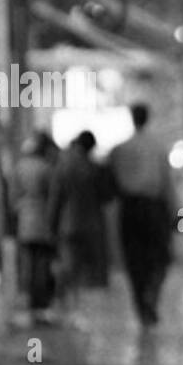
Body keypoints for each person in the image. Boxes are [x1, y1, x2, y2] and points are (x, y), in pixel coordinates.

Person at [108, 104, 177, 326]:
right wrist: (181, 222)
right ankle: (151, 297)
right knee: (160, 259)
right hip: (154, 209)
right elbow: (169, 187)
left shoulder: (119, 149)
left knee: (134, 260)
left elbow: (111, 185)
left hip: (129, 210)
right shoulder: (158, 148)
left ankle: (142, 305)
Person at [49, 130, 113, 313]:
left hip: (68, 224)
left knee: (68, 267)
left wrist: (51, 224)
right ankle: (79, 308)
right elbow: (106, 196)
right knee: (85, 272)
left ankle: (65, 306)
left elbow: (56, 199)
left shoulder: (64, 167)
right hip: (91, 225)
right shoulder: (93, 168)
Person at [10, 130, 59, 324]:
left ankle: (28, 301)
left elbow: (13, 196)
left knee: (27, 262)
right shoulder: (47, 168)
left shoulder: (19, 167)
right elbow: (53, 197)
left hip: (25, 219)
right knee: (42, 263)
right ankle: (40, 304)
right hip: (43, 220)